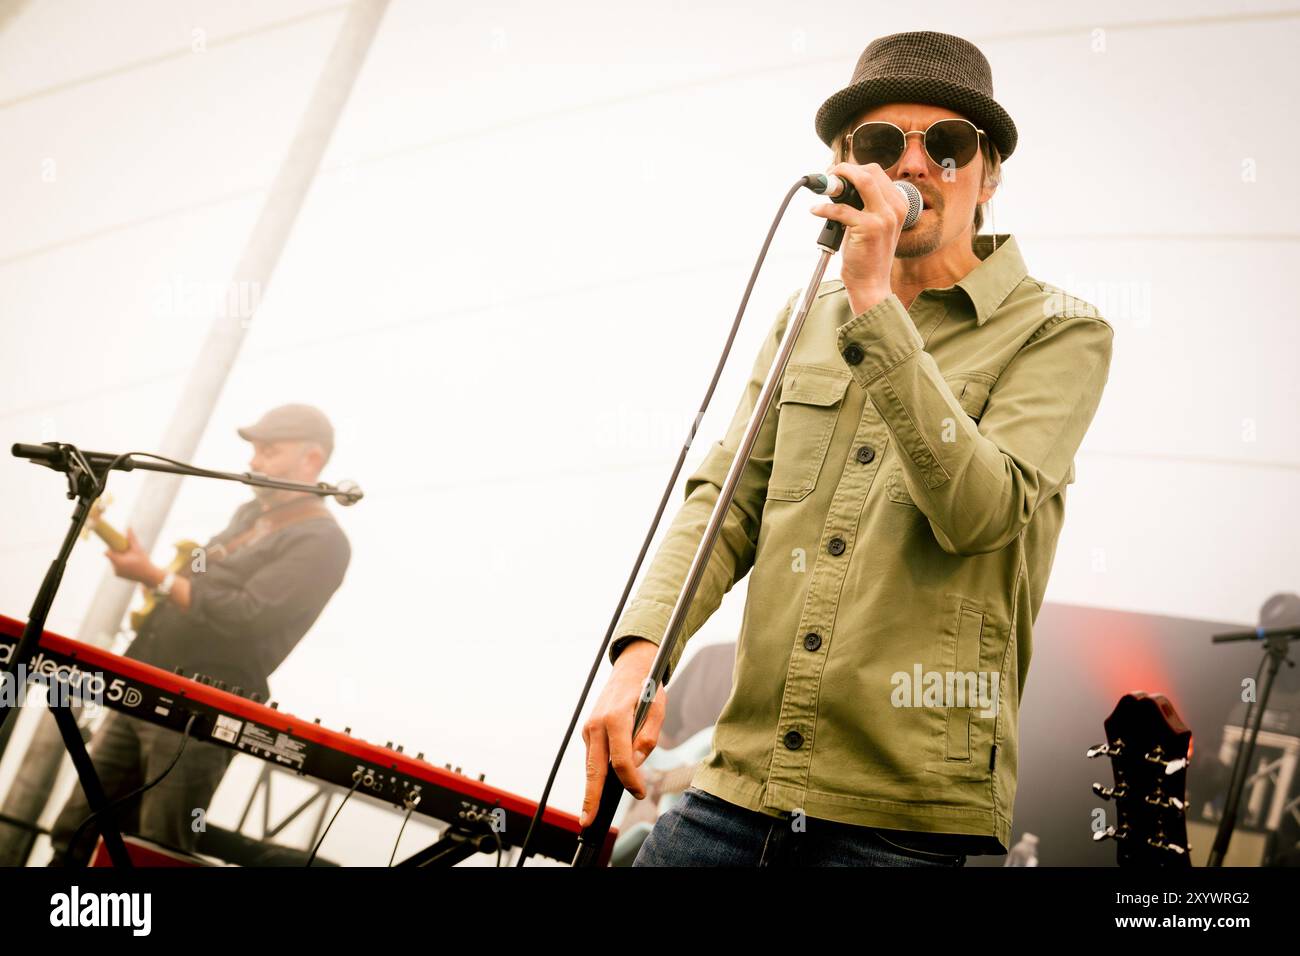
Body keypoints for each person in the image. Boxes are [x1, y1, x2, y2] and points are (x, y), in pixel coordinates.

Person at [580, 31, 1114, 866]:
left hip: (895, 821)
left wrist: (873, 301)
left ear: (990, 173)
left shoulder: (1062, 332)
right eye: (878, 144)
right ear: (841, 163)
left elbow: (981, 513)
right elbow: (725, 503)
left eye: (945, 144)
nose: (910, 167)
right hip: (734, 787)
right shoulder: (804, 318)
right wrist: (638, 659)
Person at [47, 404, 351, 865]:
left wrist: (157, 577)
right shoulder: (249, 514)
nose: (254, 463)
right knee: (79, 828)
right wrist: (164, 573)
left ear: (312, 460)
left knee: (158, 847)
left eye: (269, 451)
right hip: (148, 687)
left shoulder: (322, 540)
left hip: (202, 713)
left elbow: (249, 616)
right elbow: (203, 574)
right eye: (254, 451)